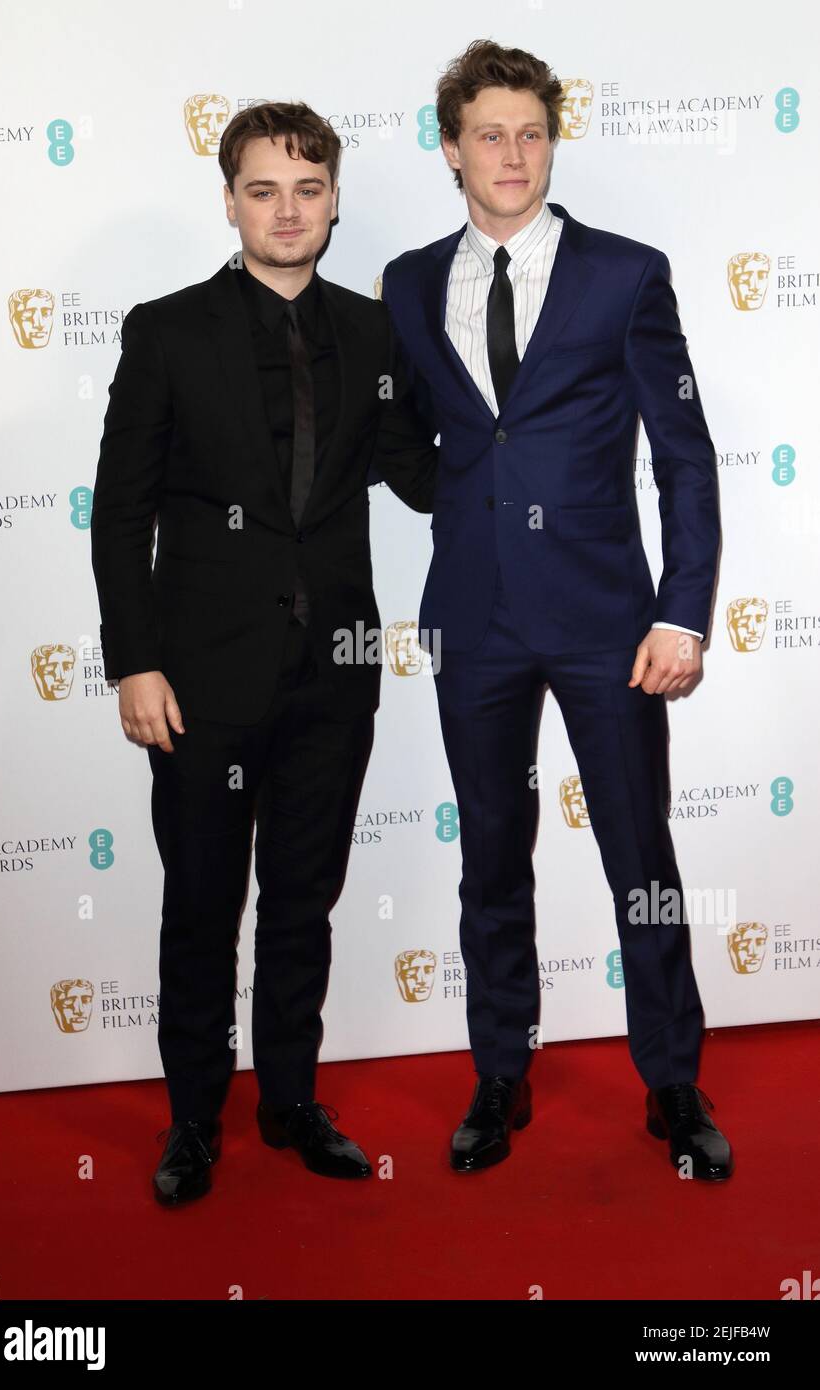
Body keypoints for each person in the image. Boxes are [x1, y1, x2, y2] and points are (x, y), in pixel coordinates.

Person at [381, 40, 732, 1179]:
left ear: (550, 143)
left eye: (530, 132)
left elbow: (683, 456)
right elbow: (416, 437)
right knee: (490, 853)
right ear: (451, 149)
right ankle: (500, 1072)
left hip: (604, 623)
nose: (512, 154)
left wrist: (681, 614)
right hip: (471, 617)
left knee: (639, 852)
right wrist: (462, 498)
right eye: (489, 134)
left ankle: (671, 1082)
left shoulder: (624, 275)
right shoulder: (405, 283)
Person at [91, 100, 438, 1205]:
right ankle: (194, 1119)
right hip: (198, 677)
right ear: (230, 202)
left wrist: (524, 430)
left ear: (333, 201)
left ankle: (291, 1101)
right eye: (263, 190)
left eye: (307, 189)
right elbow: (120, 511)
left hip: (333, 672)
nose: (287, 211)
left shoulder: (375, 333)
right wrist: (133, 660)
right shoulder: (166, 330)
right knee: (201, 903)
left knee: (301, 899)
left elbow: (420, 472)